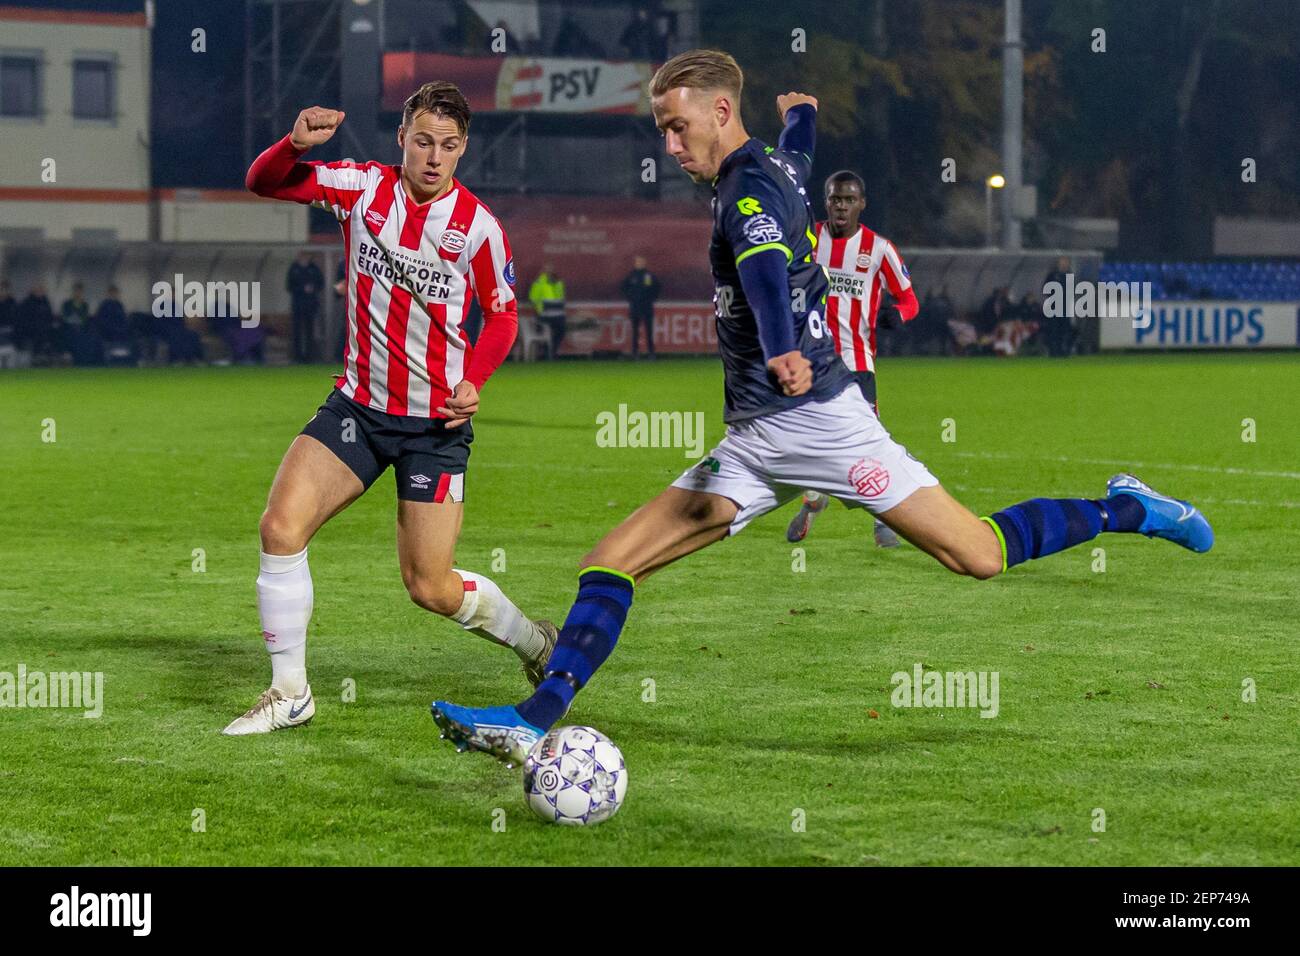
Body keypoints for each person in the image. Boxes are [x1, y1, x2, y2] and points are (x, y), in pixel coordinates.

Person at [428, 50, 1214, 764]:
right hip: (751, 443)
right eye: (661, 129)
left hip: (825, 427)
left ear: (720, 114)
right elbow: (799, 155)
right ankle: (534, 718)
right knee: (610, 559)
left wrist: (778, 346)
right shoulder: (771, 167)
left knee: (977, 554)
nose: (668, 145)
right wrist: (801, 112)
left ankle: (1127, 509)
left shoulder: (744, 195)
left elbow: (767, 271)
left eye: (677, 126)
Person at [227, 81, 556, 735]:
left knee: (429, 587)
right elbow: (266, 183)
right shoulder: (362, 188)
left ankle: (536, 644)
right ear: (402, 138)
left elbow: (502, 315)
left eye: (450, 146)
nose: (435, 157)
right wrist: (294, 144)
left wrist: (476, 379)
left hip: (434, 428)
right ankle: (289, 692)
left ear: (464, 149)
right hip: (358, 408)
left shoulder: (480, 230)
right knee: (279, 528)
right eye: (425, 141)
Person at [785, 169, 919, 549]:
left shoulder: (879, 248)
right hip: (811, 359)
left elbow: (910, 300)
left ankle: (882, 520)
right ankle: (813, 499)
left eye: (848, 199)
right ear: (825, 201)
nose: (840, 206)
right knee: (810, 436)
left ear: (862, 203)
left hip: (858, 363)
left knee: (870, 442)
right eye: (834, 199)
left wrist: (899, 315)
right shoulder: (806, 238)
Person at [286, 251, 324, 363]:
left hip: (311, 305)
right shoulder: (294, 269)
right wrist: (302, 289)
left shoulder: (314, 269)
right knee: (297, 332)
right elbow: (289, 286)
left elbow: (321, 283)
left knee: (310, 332)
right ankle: (297, 357)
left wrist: (313, 288)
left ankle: (309, 357)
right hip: (297, 305)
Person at [620, 255, 660, 359]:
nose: (639, 263)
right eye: (638, 261)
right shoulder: (631, 276)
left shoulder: (649, 276)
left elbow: (657, 288)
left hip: (647, 307)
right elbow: (624, 287)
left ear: (644, 263)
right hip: (635, 307)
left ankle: (651, 353)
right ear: (635, 263)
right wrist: (631, 298)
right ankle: (635, 352)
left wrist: (651, 299)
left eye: (641, 261)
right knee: (635, 332)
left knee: (649, 331)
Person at [529, 263, 566, 357]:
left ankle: (551, 351)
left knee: (561, 331)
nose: (549, 272)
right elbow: (533, 298)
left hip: (558, 315)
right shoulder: (539, 282)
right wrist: (539, 309)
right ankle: (546, 352)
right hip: (544, 315)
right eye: (547, 270)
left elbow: (561, 297)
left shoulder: (558, 282)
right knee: (544, 333)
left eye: (551, 269)